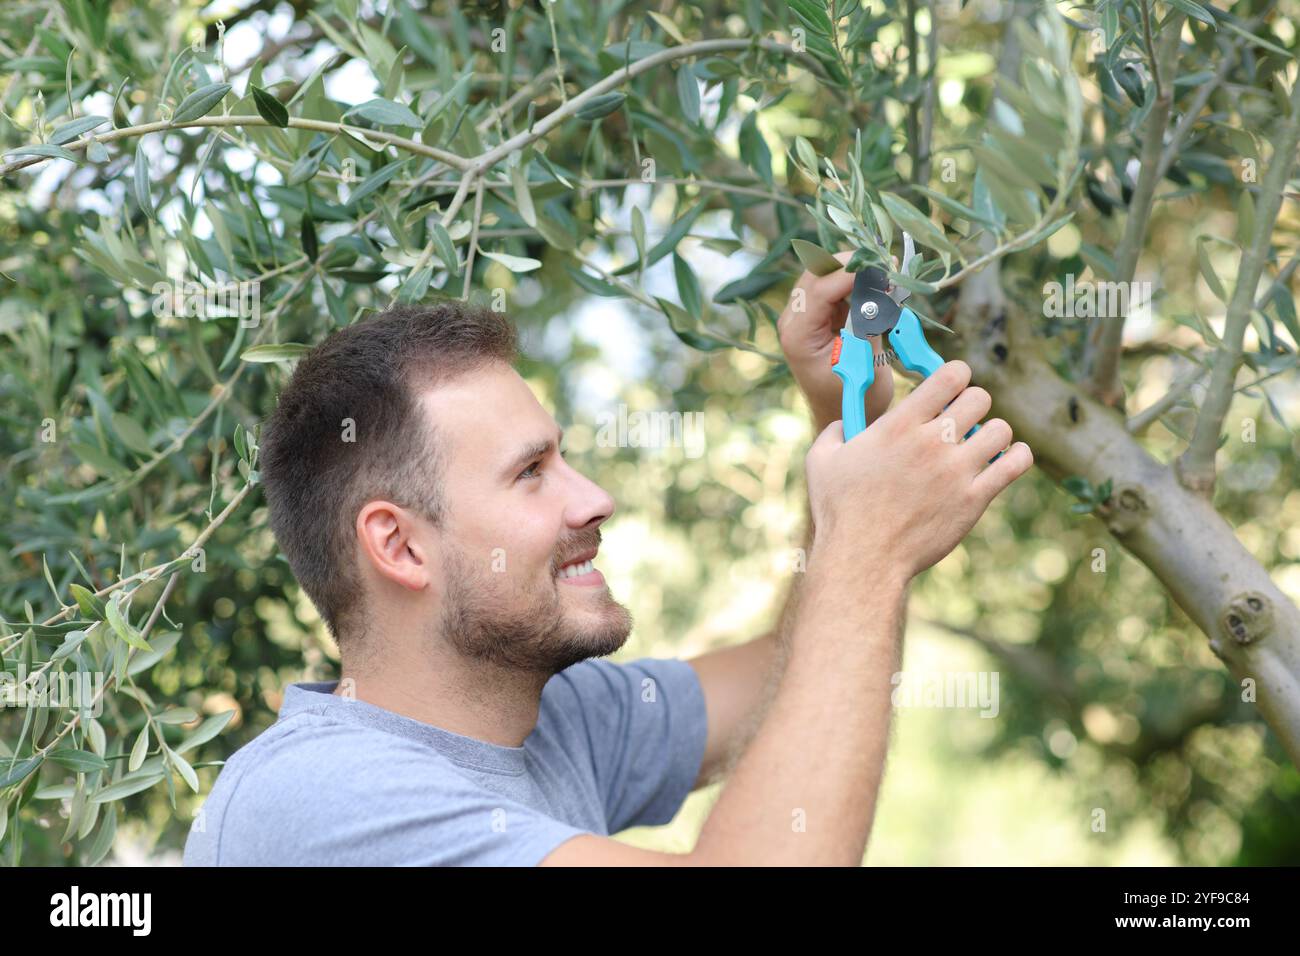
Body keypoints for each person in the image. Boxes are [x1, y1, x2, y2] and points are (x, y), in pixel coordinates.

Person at [182, 258, 1031, 866]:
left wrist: (844, 422)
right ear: (400, 546)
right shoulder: (321, 800)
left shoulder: (561, 718)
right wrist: (867, 547)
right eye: (531, 473)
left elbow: (807, 673)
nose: (594, 500)